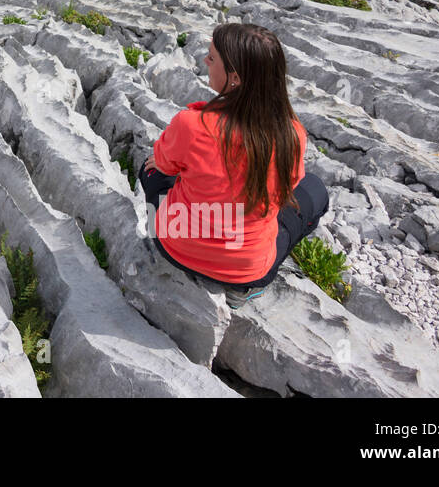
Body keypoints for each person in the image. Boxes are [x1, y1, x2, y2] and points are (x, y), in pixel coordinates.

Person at [137, 22, 329, 309]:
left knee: (150, 169)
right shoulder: (292, 135)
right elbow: (288, 188)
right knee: (313, 191)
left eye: (212, 58)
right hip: (246, 269)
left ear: (235, 78)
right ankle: (243, 291)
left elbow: (164, 164)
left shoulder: (192, 124)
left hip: (175, 247)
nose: (205, 61)